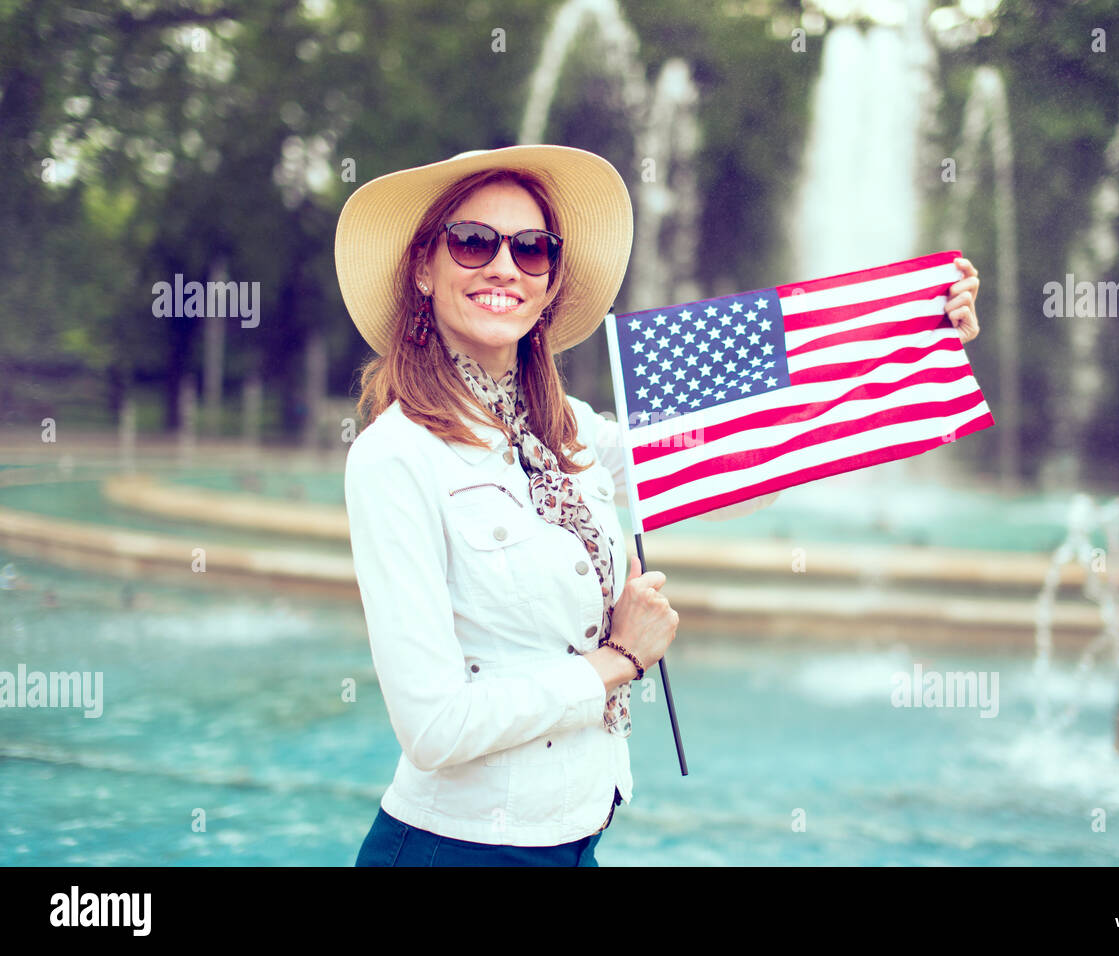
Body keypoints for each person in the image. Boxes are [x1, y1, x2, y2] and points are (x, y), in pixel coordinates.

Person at [335, 145, 980, 867]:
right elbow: (434, 727)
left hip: (577, 841)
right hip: (456, 850)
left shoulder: (569, 430)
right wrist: (618, 660)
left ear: (550, 281)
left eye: (533, 248)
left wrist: (913, 337)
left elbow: (736, 464)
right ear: (424, 267)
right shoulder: (396, 457)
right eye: (473, 241)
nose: (504, 267)